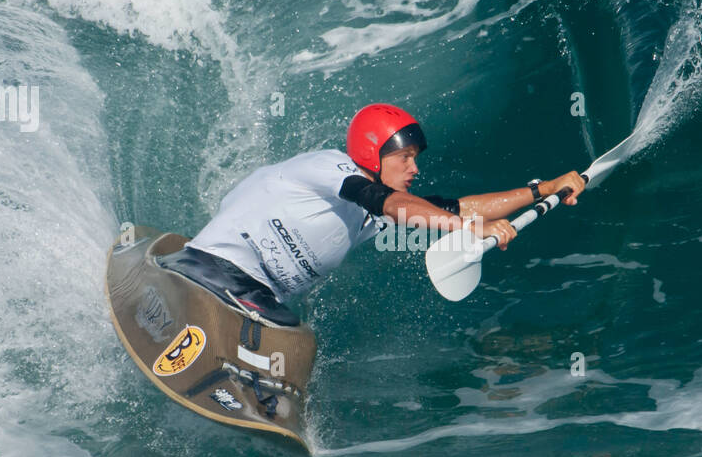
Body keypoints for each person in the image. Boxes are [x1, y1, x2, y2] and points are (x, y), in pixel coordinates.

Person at [157, 104, 586, 326]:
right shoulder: (331, 169)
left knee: (290, 331)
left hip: (258, 298)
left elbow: (460, 205)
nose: (414, 168)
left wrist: (542, 189)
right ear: (372, 153)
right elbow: (396, 206)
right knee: (281, 331)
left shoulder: (375, 212)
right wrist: (468, 228)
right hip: (211, 265)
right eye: (405, 158)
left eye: (416, 159)